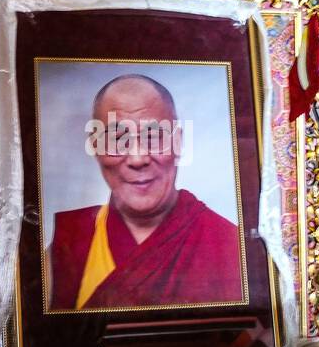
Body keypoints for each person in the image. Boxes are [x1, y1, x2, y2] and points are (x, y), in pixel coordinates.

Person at [47, 74, 243, 310]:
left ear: (178, 141)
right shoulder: (69, 244)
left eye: (153, 136)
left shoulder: (230, 246)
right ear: (96, 146)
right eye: (117, 139)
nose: (138, 158)